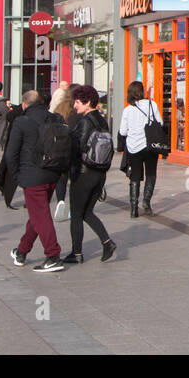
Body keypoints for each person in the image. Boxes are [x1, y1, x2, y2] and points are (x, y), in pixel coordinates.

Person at [6, 90, 67, 273]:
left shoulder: (22, 122)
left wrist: (18, 176)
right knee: (37, 214)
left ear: (24, 104)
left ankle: (53, 255)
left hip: (32, 176)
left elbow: (11, 154)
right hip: (53, 172)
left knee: (41, 216)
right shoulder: (55, 118)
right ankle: (21, 251)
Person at [62, 84, 116, 264]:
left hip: (83, 174)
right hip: (99, 174)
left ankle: (76, 254)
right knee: (87, 212)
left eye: (78, 102)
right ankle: (107, 242)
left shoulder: (84, 122)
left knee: (77, 214)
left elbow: (77, 149)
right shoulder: (102, 120)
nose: (75, 106)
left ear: (87, 103)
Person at [119, 82, 164, 217]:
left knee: (135, 177)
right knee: (151, 173)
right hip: (150, 146)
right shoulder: (152, 105)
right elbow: (160, 123)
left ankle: (133, 209)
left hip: (134, 147)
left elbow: (122, 131)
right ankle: (146, 202)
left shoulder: (127, 110)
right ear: (142, 91)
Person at [0, 99, 26, 209]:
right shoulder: (20, 112)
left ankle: (4, 188)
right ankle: (5, 189)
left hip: (15, 145)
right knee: (12, 170)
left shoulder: (18, 112)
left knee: (10, 168)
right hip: (19, 146)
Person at [50, 86, 76, 211]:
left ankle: (60, 201)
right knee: (75, 176)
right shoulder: (76, 110)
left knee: (62, 177)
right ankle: (73, 204)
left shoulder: (59, 108)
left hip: (61, 147)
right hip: (74, 148)